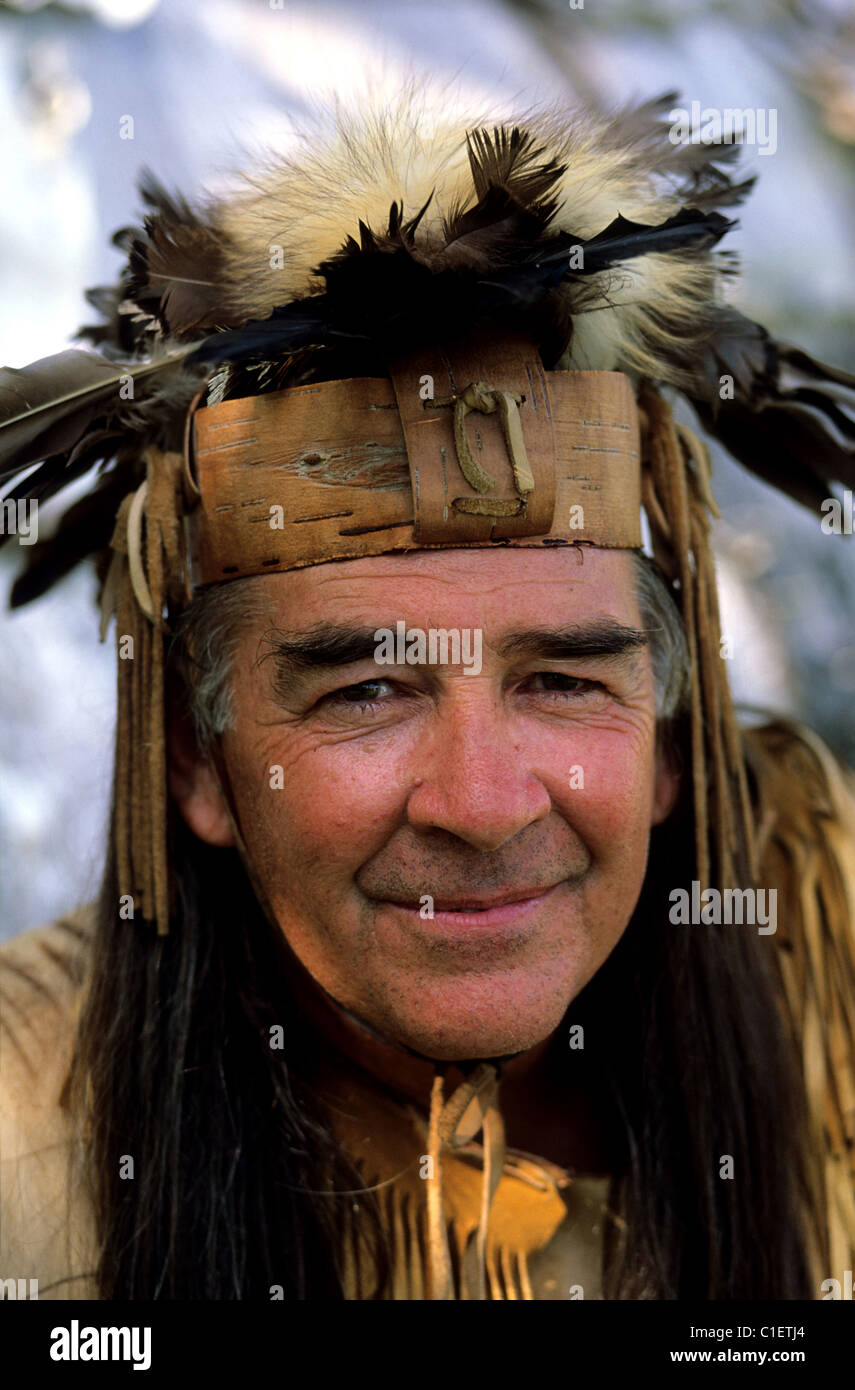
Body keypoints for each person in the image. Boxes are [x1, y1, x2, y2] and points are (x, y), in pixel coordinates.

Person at [1, 90, 854, 1301]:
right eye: (367, 690)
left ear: (668, 736)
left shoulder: (832, 959)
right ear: (199, 761)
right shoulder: (22, 1146)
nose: (485, 804)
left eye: (563, 680)